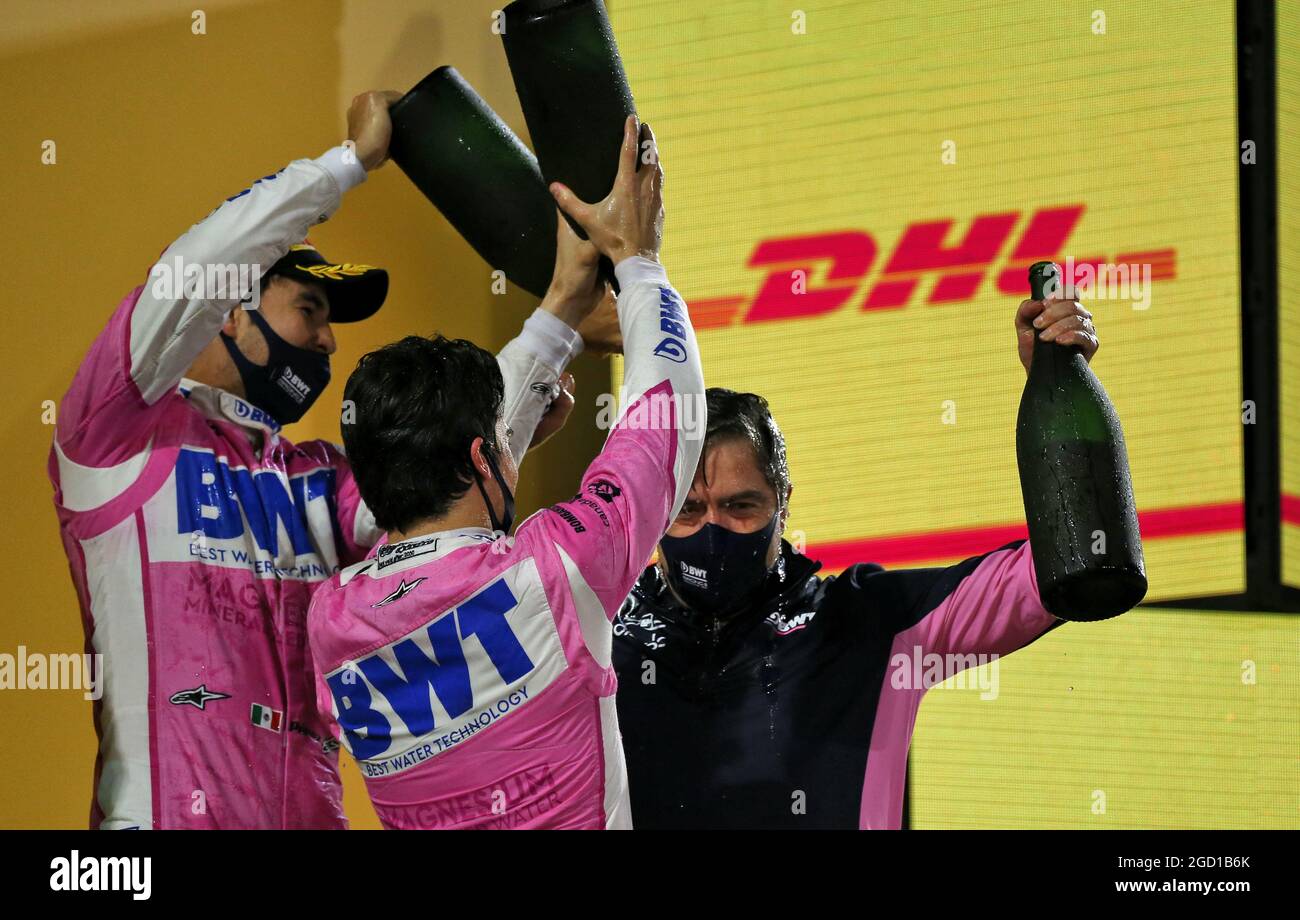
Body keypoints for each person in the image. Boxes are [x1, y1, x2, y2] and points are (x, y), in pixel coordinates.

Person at [49, 91, 594, 829]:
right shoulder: (114, 428)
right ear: (232, 309)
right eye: (310, 308)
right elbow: (197, 265)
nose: (330, 343)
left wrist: (560, 312)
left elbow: (439, 472)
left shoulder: (320, 474)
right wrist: (348, 164)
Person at [308, 115, 704, 829]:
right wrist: (639, 260)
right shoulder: (557, 566)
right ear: (481, 457)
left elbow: (433, 514)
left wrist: (562, 306)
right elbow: (667, 430)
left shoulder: (333, 619)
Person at [612, 294, 1123, 829]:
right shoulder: (593, 638)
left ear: (783, 503)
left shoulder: (875, 623)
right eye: (688, 510)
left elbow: (1078, 558)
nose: (713, 529)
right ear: (653, 509)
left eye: (740, 506)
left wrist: (1057, 382)